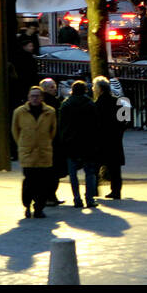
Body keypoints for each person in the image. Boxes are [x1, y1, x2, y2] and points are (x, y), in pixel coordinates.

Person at [12, 87, 57, 218]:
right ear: (28, 97)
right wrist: (23, 144)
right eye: (32, 96)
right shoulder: (19, 112)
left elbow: (52, 131)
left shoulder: (50, 112)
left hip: (44, 152)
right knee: (29, 182)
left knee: (43, 183)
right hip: (28, 152)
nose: (35, 98)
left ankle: (39, 208)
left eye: (37, 96)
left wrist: (45, 142)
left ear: (42, 97)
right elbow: (15, 131)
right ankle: (27, 205)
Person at [59, 80, 101, 208]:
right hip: (87, 143)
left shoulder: (65, 105)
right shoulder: (90, 105)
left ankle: (76, 198)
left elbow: (62, 126)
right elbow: (95, 126)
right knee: (90, 172)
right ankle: (89, 198)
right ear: (85, 90)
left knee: (73, 174)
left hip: (71, 144)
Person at [93, 77, 127, 200]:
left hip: (101, 139)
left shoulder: (96, 104)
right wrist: (119, 133)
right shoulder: (118, 102)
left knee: (95, 166)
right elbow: (125, 120)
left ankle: (94, 189)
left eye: (94, 87)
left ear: (99, 89)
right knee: (115, 168)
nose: (93, 89)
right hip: (115, 139)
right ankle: (116, 191)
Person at [39, 79, 66, 205]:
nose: (54, 89)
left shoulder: (49, 102)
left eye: (54, 87)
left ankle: (50, 196)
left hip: (49, 142)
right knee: (53, 172)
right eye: (51, 87)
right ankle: (50, 196)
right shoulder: (52, 103)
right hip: (52, 142)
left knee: (51, 172)